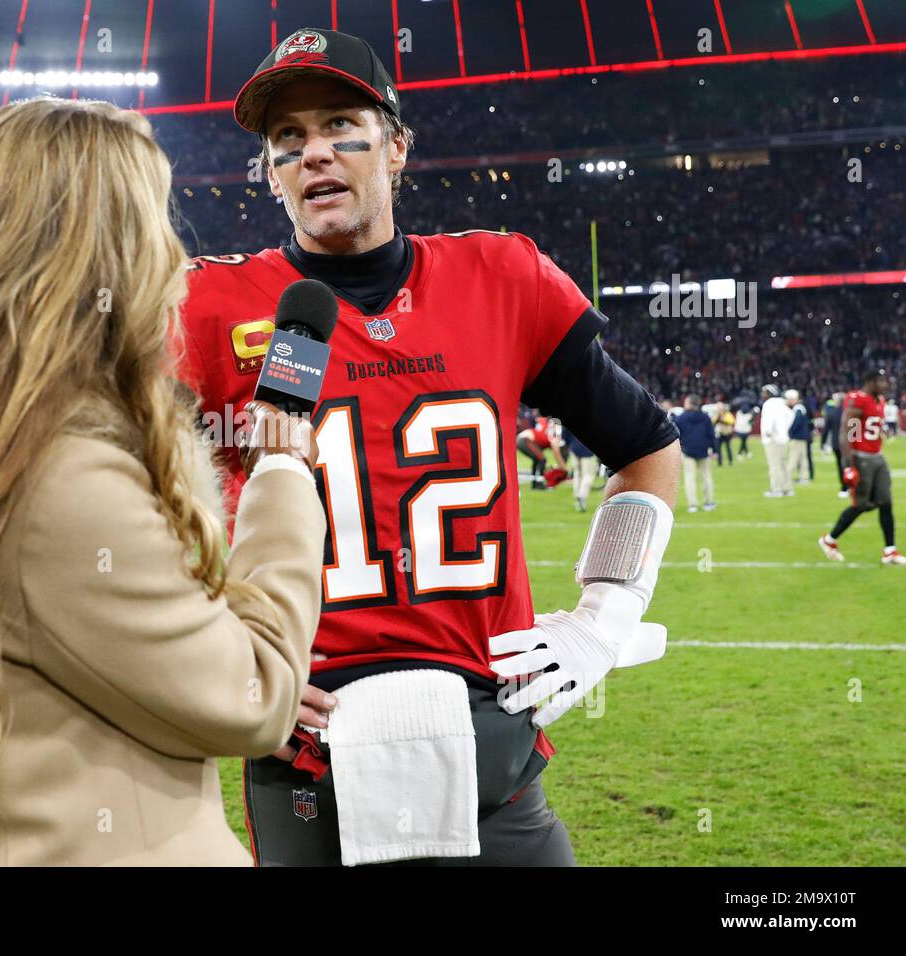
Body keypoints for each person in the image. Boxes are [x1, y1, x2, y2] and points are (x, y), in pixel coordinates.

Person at [177, 28, 680, 867]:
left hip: (494, 738)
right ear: (269, 171)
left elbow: (647, 447)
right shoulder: (210, 303)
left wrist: (608, 614)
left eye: (341, 125)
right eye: (288, 140)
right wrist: (211, 649)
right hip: (304, 747)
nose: (315, 154)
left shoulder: (501, 278)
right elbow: (115, 502)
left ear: (397, 147)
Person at [0, 97, 326, 866]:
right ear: (96, 254)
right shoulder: (60, 471)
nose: (172, 256)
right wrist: (284, 471)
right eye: (154, 222)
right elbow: (253, 696)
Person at [818, 370, 906, 565]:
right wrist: (848, 465)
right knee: (861, 504)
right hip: (862, 458)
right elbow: (848, 431)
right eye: (881, 381)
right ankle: (829, 540)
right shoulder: (858, 399)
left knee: (885, 502)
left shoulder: (879, 401)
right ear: (870, 381)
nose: (885, 385)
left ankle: (890, 551)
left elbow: (866, 427)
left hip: (877, 456)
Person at [674, 395, 716, 513]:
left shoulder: (681, 418)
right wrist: (715, 450)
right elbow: (711, 435)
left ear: (689, 403)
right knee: (706, 476)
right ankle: (708, 502)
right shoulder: (705, 417)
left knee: (689, 478)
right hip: (704, 450)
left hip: (687, 451)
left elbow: (676, 434)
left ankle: (692, 505)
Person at [760, 384, 794, 497]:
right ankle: (787, 488)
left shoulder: (769, 404)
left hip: (773, 439)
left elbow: (770, 419)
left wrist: (769, 432)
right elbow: (791, 416)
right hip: (782, 438)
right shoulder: (781, 403)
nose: (762, 395)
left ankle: (776, 489)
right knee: (783, 464)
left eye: (764, 392)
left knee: (774, 465)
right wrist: (784, 429)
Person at [561, 425, 599, 512]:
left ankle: (578, 500)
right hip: (587, 448)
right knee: (588, 474)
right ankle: (582, 495)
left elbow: (564, 433)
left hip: (573, 447)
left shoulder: (570, 413)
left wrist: (570, 444)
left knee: (577, 474)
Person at [785, 389, 811, 484]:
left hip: (797, 437)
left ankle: (787, 477)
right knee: (803, 458)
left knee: (793, 457)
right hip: (802, 437)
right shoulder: (801, 408)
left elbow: (797, 423)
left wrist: (790, 432)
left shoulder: (798, 409)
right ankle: (804, 477)